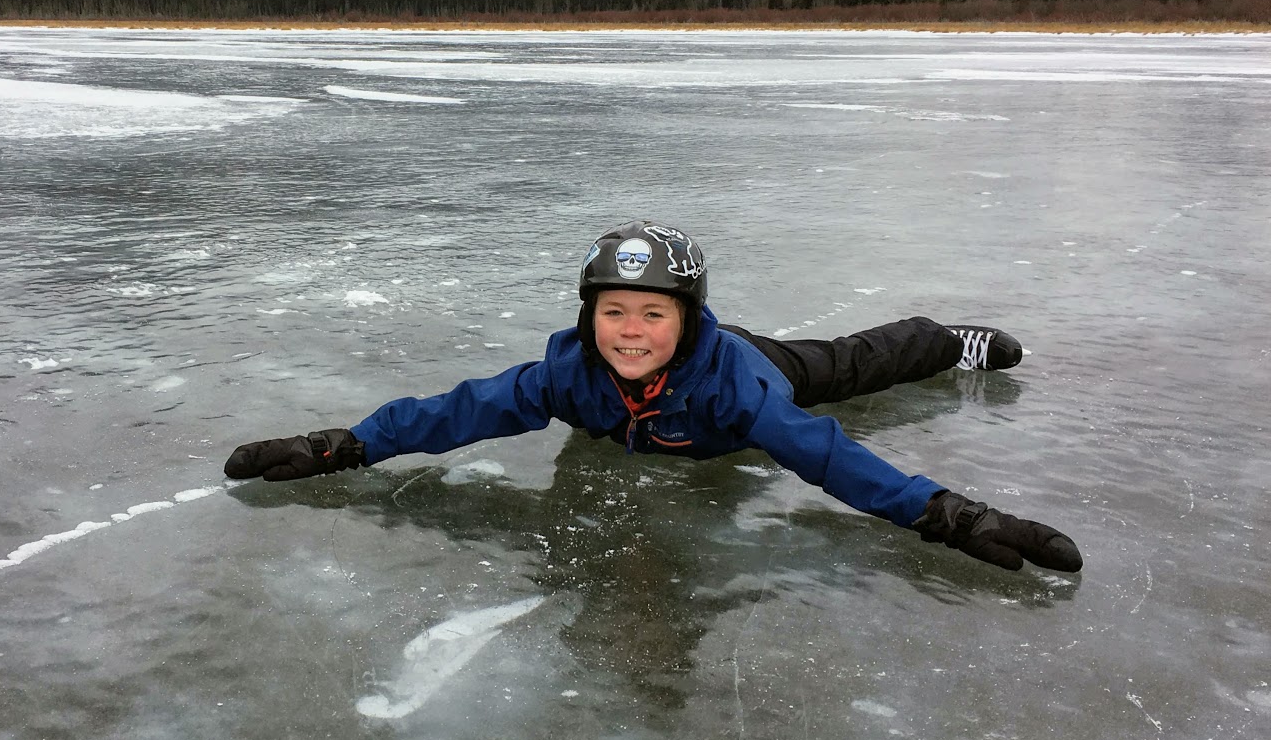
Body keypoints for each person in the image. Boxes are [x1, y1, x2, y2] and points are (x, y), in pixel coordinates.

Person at [225, 220, 1083, 574]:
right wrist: (348, 444)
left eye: (653, 314)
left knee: (856, 364)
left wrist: (948, 515)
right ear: (588, 315)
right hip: (647, 421)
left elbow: (828, 457)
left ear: (687, 317)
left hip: (757, 373)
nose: (630, 332)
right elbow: (457, 411)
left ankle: (949, 339)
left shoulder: (737, 385)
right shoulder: (569, 373)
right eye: (613, 313)